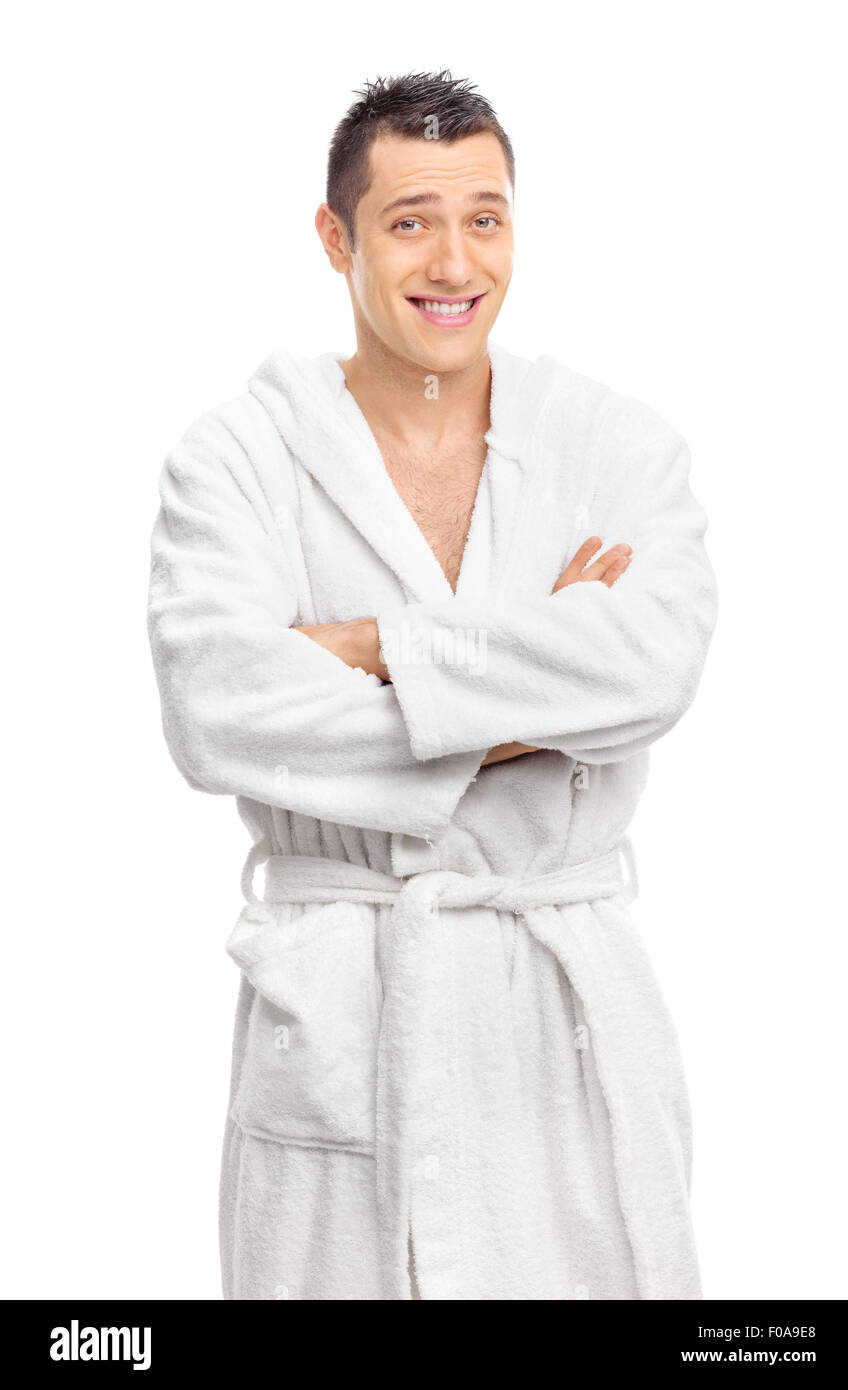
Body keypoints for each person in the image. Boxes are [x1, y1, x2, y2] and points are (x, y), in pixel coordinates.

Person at [147, 69, 718, 1301]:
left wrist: (363, 645)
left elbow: (651, 665)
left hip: (558, 1015)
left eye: (485, 217)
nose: (452, 261)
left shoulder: (611, 447)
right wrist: (533, 680)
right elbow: (217, 705)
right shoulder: (238, 460)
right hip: (349, 998)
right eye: (409, 220)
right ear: (335, 237)